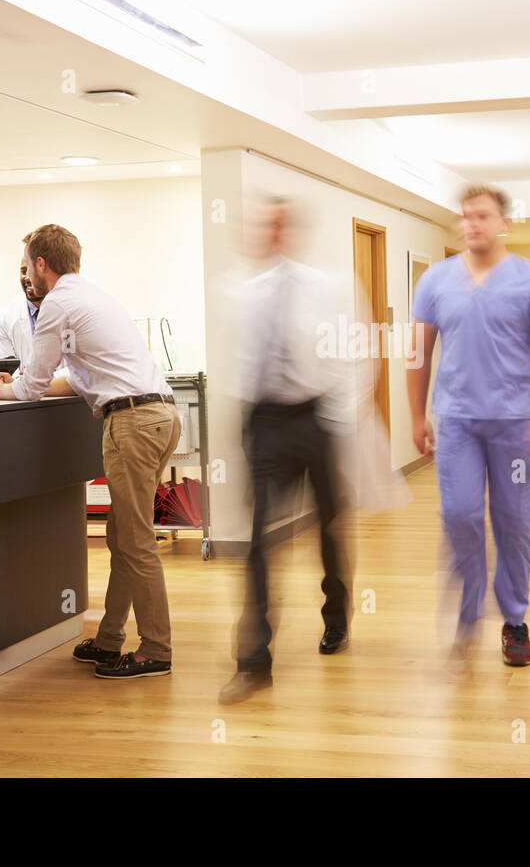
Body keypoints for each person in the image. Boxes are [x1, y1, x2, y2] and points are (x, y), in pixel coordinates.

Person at [0, 223, 182, 680]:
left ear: (41, 264)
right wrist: (21, 381)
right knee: (123, 537)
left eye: (27, 266)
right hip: (160, 415)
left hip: (131, 422)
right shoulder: (93, 296)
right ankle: (109, 641)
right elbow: (75, 378)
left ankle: (156, 650)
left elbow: (32, 387)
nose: (26, 275)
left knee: (135, 541)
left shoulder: (55, 304)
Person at [408, 183, 530, 672]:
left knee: (513, 522)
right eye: (466, 215)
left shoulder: (529, 277)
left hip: (515, 427)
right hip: (458, 424)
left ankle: (514, 619)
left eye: (482, 215)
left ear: (504, 223)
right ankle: (469, 611)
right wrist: (416, 414)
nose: (472, 223)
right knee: (459, 514)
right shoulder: (436, 281)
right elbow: (418, 354)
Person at [218, 197, 356, 705]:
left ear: (291, 232)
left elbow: (352, 352)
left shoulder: (328, 286)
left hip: (316, 418)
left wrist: (339, 421)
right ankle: (254, 663)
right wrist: (245, 425)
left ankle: (336, 617)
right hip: (267, 422)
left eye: (276, 225)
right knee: (258, 540)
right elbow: (240, 360)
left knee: (329, 526)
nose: (266, 233)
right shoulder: (240, 291)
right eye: (260, 225)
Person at [0, 246, 67, 377]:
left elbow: (81, 371)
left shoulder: (75, 313)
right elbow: (3, 373)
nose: (28, 277)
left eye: (35, 271)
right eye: (24, 271)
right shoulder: (4, 318)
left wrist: (37, 378)